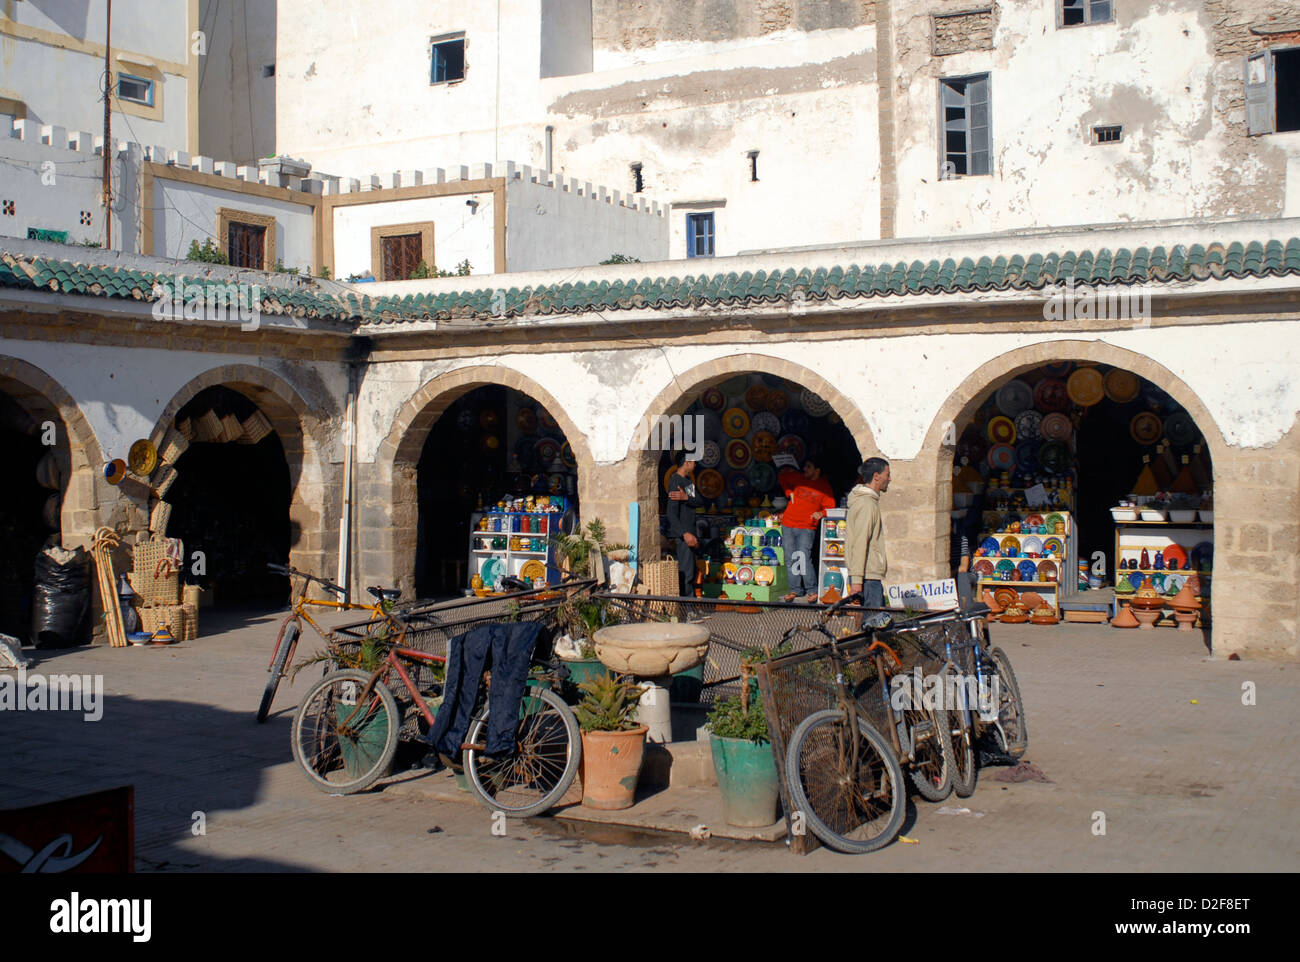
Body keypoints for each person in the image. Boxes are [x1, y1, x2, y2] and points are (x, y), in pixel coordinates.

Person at [777, 458, 836, 603]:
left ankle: (812, 590)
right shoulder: (798, 478)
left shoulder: (824, 486)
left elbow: (831, 507)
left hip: (807, 526)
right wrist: (788, 491)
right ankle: (795, 590)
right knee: (790, 558)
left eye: (809, 467)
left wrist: (822, 514)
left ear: (817, 471)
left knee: (803, 557)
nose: (805, 470)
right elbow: (781, 477)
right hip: (788, 523)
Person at [845, 457, 890, 609]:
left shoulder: (866, 501)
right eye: (887, 474)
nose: (889, 479)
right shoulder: (867, 504)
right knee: (873, 624)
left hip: (867, 575)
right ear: (876, 476)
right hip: (868, 576)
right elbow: (860, 542)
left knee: (873, 623)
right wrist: (857, 581)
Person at [665, 451, 703, 595]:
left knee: (691, 571)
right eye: (693, 462)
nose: (695, 464)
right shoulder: (675, 481)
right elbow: (671, 513)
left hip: (690, 532)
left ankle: (690, 605)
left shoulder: (688, 482)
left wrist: (685, 497)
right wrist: (684, 533)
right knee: (686, 573)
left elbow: (698, 501)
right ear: (686, 463)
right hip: (684, 535)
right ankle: (687, 609)